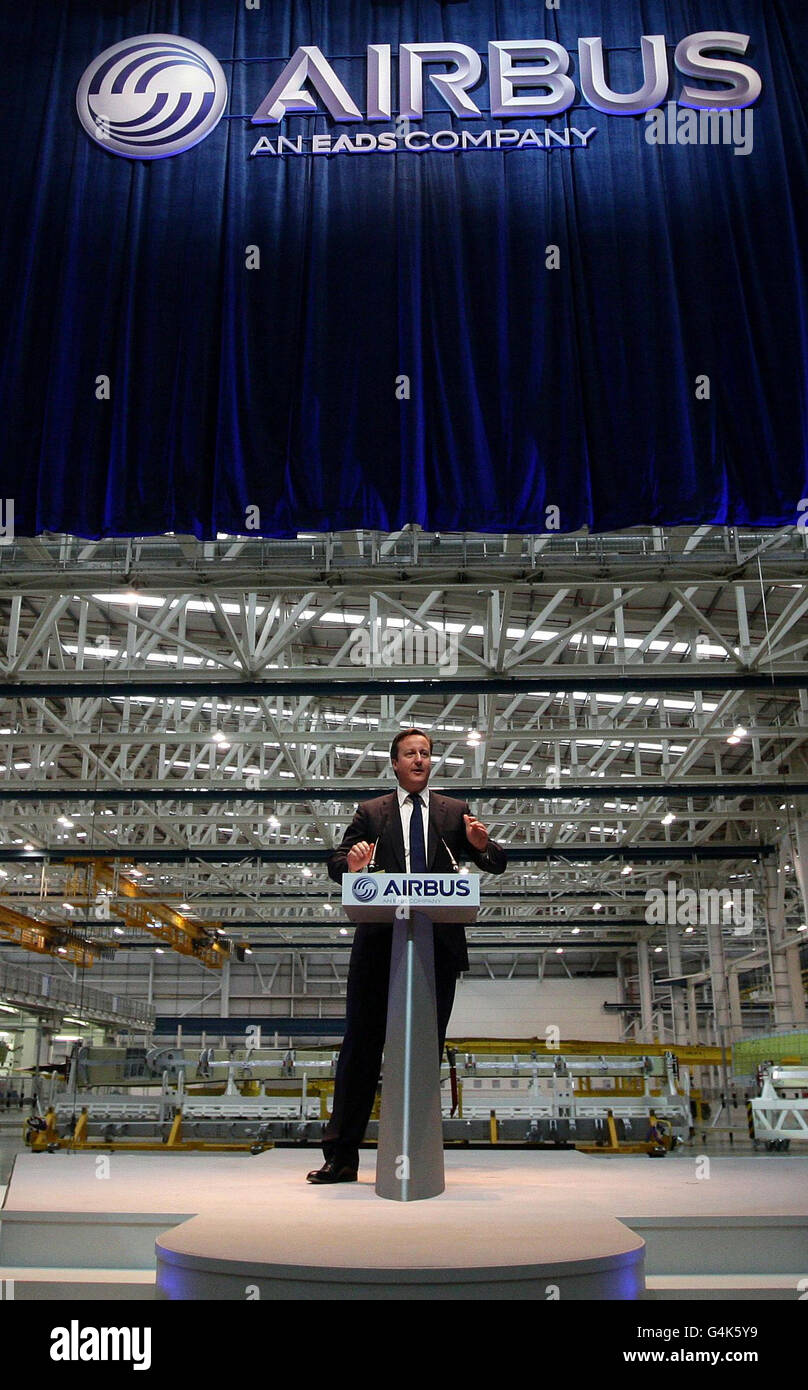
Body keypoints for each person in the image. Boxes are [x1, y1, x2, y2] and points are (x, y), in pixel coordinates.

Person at [306, 727, 507, 1183]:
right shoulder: (370, 813)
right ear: (394, 763)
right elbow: (336, 865)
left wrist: (479, 846)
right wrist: (353, 864)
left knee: (425, 1052)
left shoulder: (455, 812)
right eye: (409, 754)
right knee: (361, 1048)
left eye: (425, 753)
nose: (418, 760)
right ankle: (341, 1157)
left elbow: (497, 860)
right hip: (379, 947)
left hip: (437, 947)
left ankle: (417, 1155)